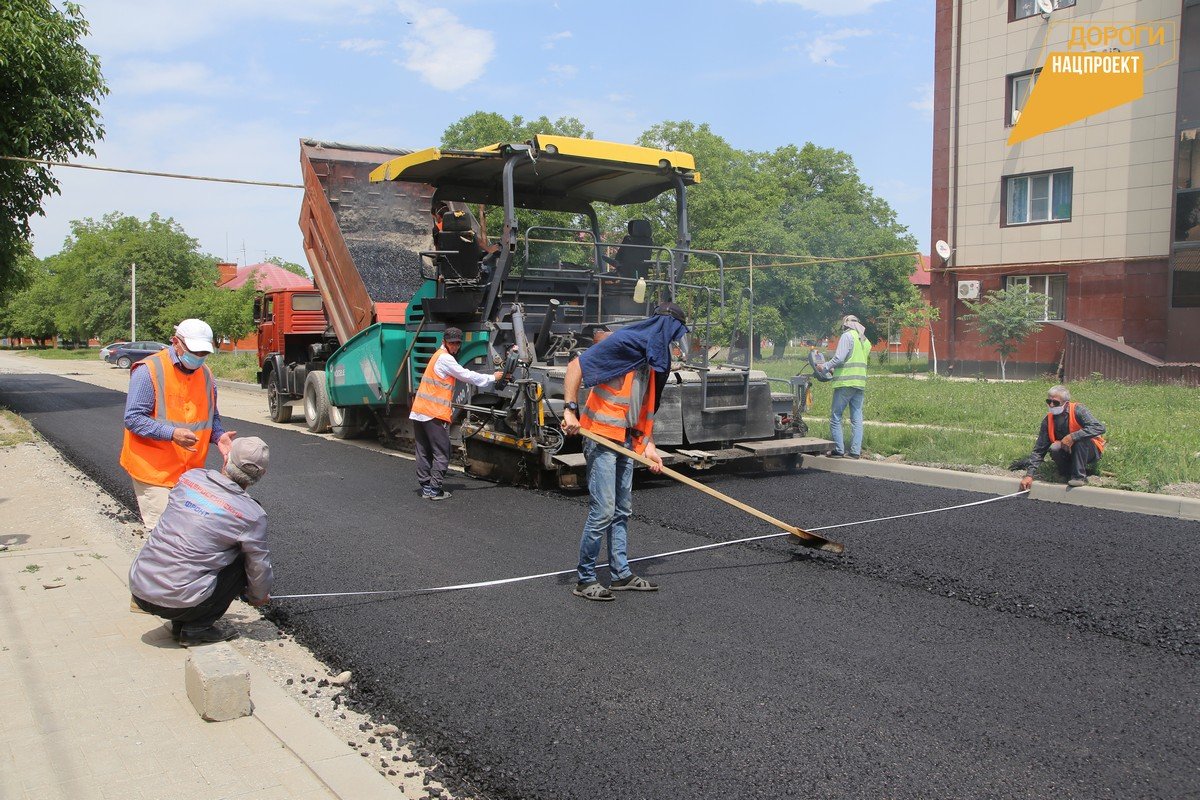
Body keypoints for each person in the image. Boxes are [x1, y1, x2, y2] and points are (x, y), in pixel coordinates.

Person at [561, 302, 689, 601]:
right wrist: (570, 411)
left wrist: (650, 445)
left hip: (628, 442)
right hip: (601, 437)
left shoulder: (654, 357)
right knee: (603, 510)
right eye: (673, 334)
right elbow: (575, 366)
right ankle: (585, 578)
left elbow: (645, 406)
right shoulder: (623, 343)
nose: (672, 341)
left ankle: (620, 575)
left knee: (621, 511)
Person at [129, 437, 272, 647]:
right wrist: (258, 596)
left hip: (140, 588)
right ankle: (197, 628)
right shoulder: (251, 514)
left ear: (226, 460)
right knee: (245, 558)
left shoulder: (189, 479)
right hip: (178, 601)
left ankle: (183, 621)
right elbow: (259, 565)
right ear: (262, 475)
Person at [120, 319, 235, 529]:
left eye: (204, 353)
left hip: (190, 471)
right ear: (176, 342)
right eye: (194, 351)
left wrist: (219, 436)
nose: (199, 358)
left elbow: (211, 416)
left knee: (186, 533)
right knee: (165, 533)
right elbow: (133, 418)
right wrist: (171, 434)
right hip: (154, 471)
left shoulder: (207, 375)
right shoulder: (149, 371)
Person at [409, 327, 503, 500]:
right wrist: (493, 377)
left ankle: (425, 487)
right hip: (433, 414)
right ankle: (435, 489)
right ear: (445, 341)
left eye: (457, 343)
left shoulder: (437, 356)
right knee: (442, 452)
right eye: (452, 343)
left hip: (420, 411)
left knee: (423, 450)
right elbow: (466, 376)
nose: (455, 347)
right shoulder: (445, 358)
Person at [1019, 385, 1106, 489]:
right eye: (1048, 401)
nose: (1051, 405)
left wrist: (1073, 436)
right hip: (1067, 452)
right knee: (1055, 448)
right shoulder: (1048, 420)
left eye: (1055, 402)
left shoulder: (1078, 410)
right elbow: (1039, 449)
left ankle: (1079, 477)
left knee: (1079, 441)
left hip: (1090, 451)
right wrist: (1029, 475)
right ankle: (1066, 473)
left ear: (1066, 403)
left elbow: (1099, 427)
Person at [823, 314, 871, 459]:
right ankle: (855, 452)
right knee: (856, 418)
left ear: (845, 324)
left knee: (836, 416)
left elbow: (839, 358)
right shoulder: (865, 340)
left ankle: (838, 449)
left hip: (845, 383)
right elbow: (853, 359)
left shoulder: (847, 336)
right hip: (859, 383)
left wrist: (824, 367)